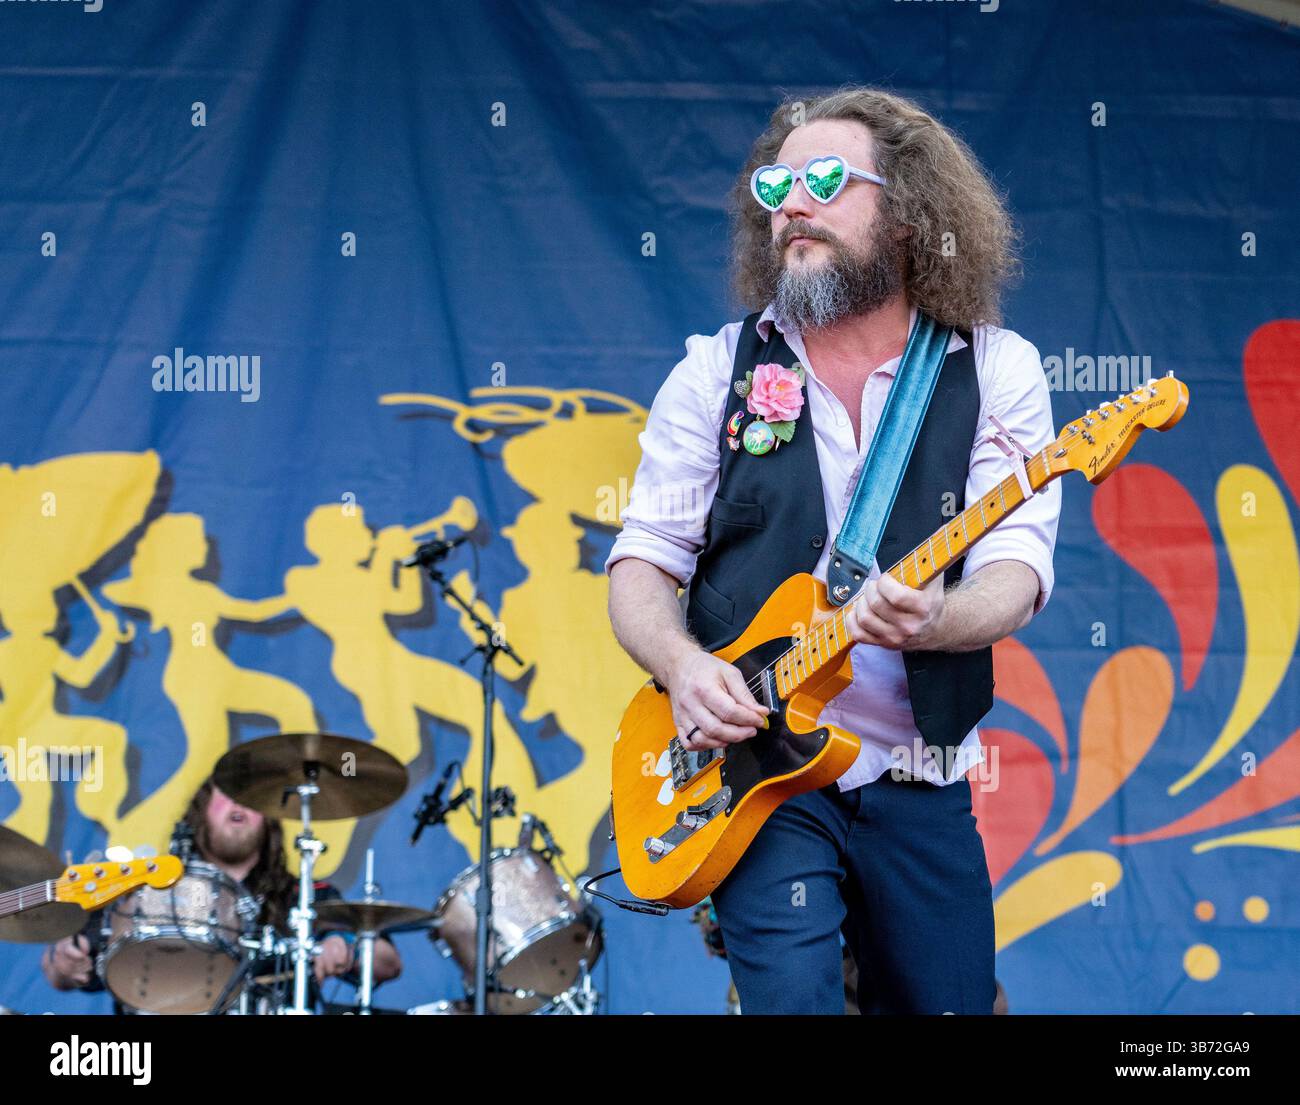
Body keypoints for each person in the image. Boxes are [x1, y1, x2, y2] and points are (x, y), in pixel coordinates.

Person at [606, 87, 1061, 1015]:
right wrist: (683, 667)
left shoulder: (996, 367)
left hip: (918, 773)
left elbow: (1016, 568)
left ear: (907, 216)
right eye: (776, 183)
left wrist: (942, 617)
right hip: (764, 774)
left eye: (822, 179)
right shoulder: (713, 369)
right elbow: (642, 562)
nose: (790, 205)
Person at [41, 777, 401, 1009]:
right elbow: (57, 974)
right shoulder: (148, 884)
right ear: (203, 809)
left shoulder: (303, 896)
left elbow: (388, 962)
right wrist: (64, 961)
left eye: (251, 799)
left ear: (268, 821)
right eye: (227, 796)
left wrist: (344, 947)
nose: (239, 806)